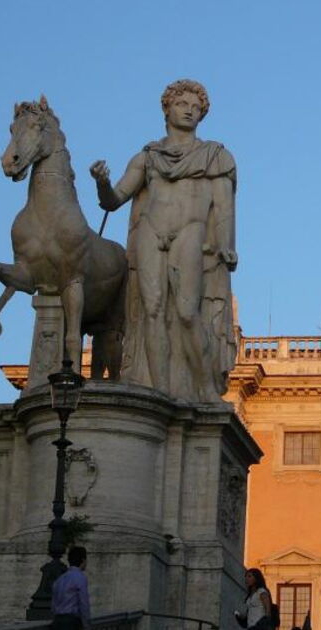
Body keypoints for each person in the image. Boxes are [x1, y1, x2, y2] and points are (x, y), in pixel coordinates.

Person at [90, 79, 238, 403]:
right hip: (150, 231)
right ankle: (158, 394)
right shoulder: (147, 157)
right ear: (167, 108)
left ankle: (205, 390)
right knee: (151, 310)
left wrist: (226, 244)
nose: (189, 111)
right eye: (182, 104)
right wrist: (102, 183)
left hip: (191, 230)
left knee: (187, 312)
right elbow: (114, 200)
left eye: (196, 108)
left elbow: (224, 206)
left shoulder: (215, 156)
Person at [51, 546, 91, 630]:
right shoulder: (80, 578)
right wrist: (87, 624)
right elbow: (83, 603)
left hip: (57, 621)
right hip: (72, 622)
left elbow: (53, 604)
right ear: (83, 561)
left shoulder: (60, 579)